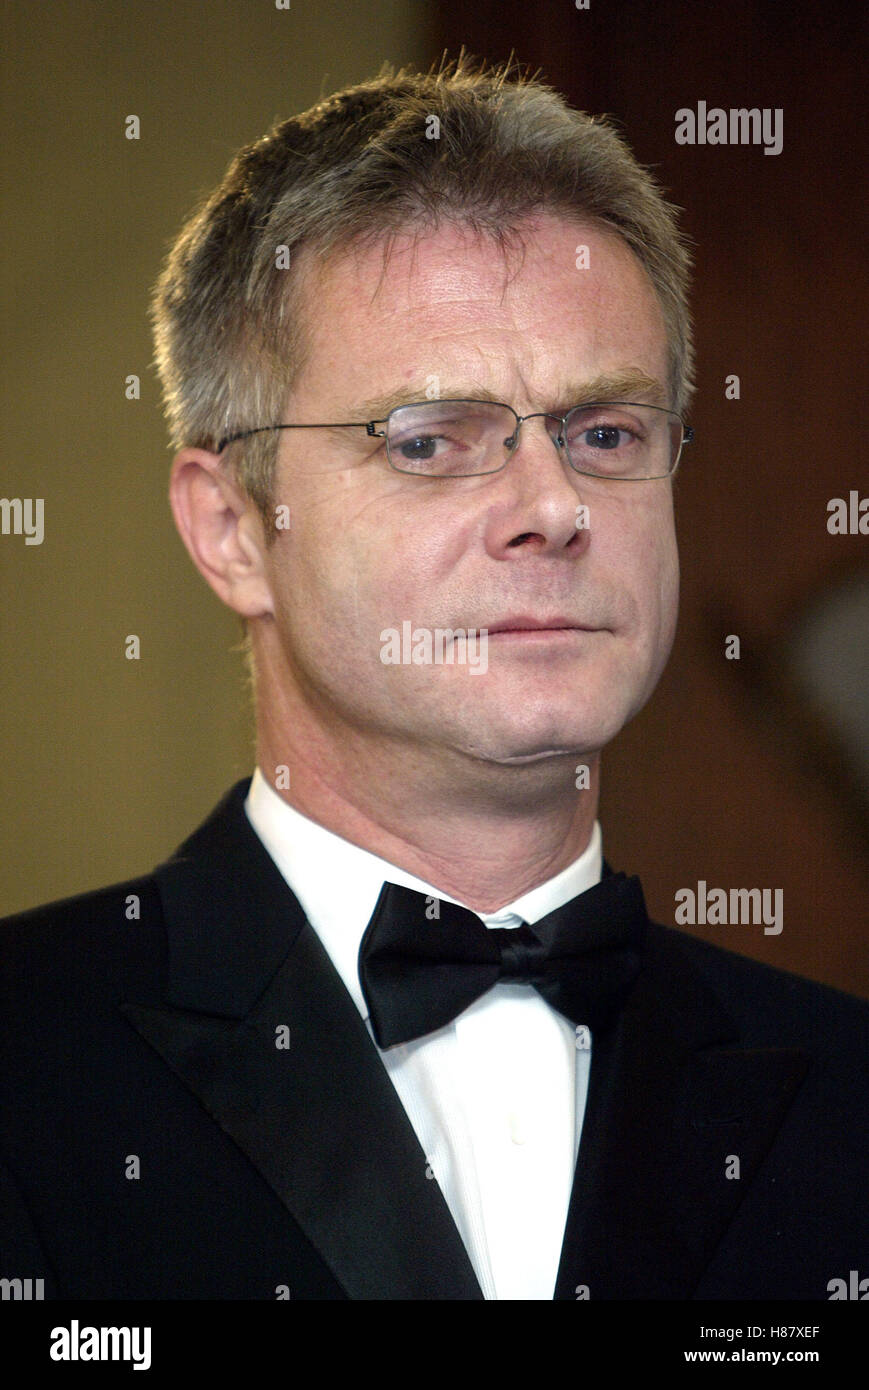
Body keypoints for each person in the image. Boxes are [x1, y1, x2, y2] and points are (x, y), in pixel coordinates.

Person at [1, 56, 866, 1302]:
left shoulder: (848, 1092)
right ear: (233, 528)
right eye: (430, 441)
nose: (554, 507)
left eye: (604, 432)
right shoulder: (25, 1058)